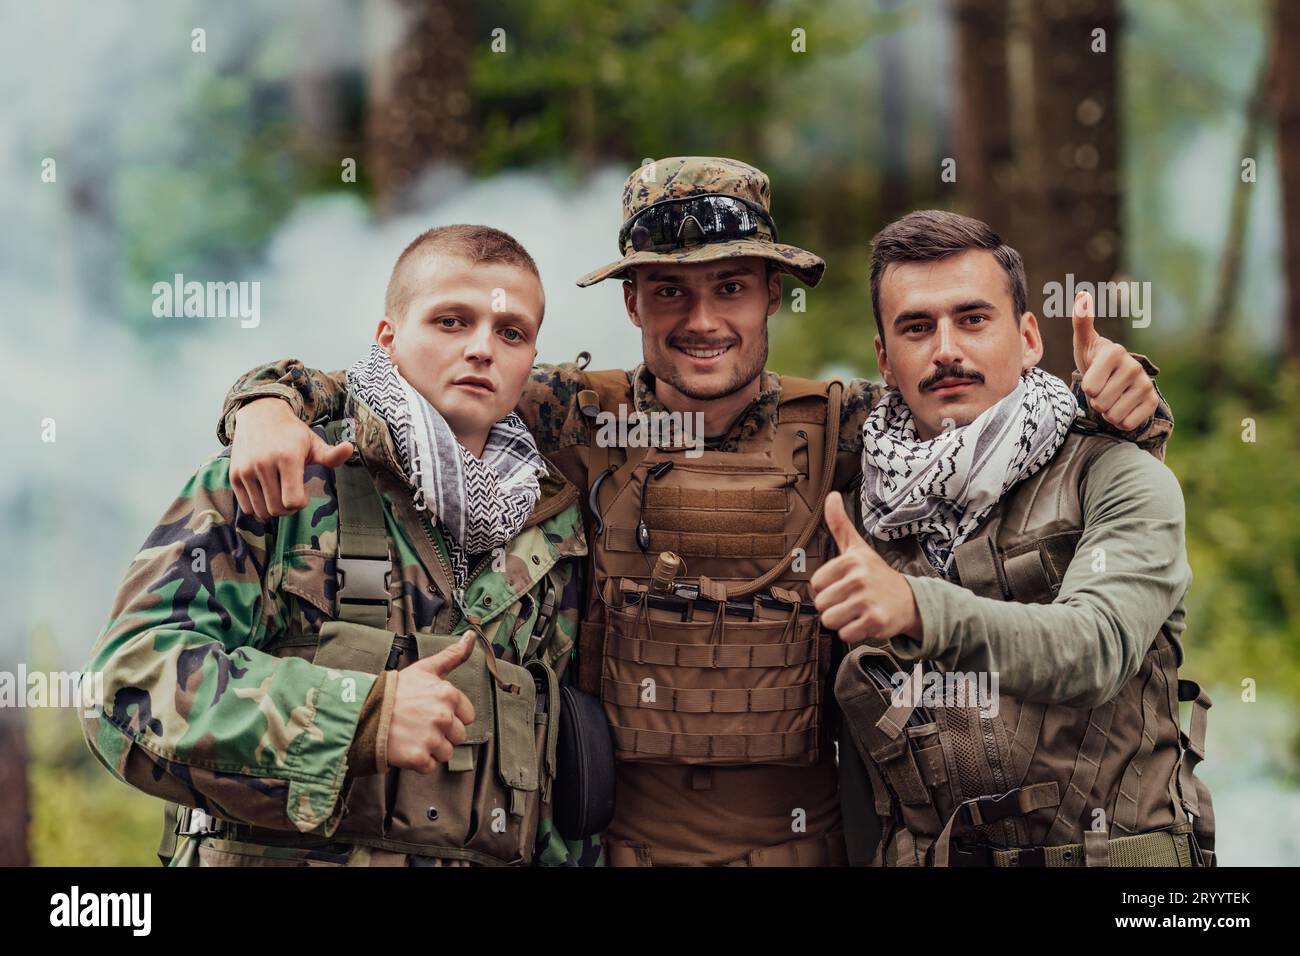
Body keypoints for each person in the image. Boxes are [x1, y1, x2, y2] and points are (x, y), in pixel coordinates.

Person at [210, 157, 1174, 866]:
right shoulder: (569, 412)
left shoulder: (847, 426)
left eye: (730, 288)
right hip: (622, 845)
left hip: (809, 846)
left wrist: (1128, 402)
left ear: (770, 296)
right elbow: (378, 388)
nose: (702, 318)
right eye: (669, 291)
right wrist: (262, 402)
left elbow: (992, 428)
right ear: (633, 305)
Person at [82, 225, 599, 866]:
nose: (482, 349)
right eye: (450, 321)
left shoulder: (553, 531)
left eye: (511, 333)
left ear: (531, 362)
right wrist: (358, 714)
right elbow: (128, 683)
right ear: (389, 338)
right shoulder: (281, 474)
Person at [820, 210, 1214, 867]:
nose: (946, 348)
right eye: (917, 327)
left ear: (1030, 337)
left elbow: (1096, 648)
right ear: (884, 359)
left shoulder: (1116, 472)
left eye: (973, 319)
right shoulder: (856, 509)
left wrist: (920, 609)